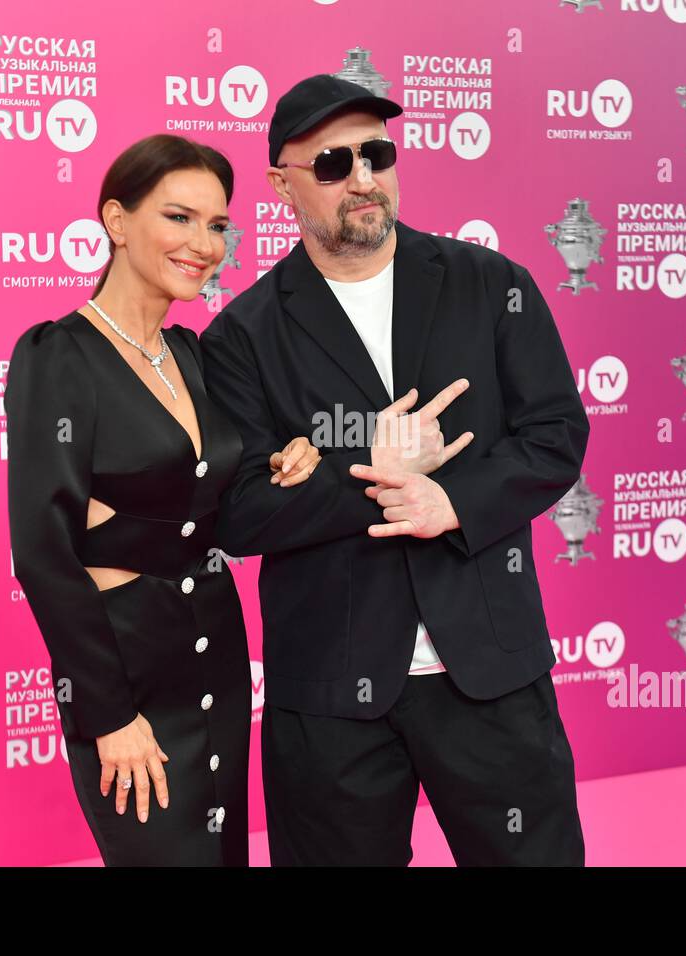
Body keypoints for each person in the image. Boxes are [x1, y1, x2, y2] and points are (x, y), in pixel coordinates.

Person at [200, 75, 591, 866]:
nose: (364, 178)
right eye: (334, 164)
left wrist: (448, 500)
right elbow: (237, 513)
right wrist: (368, 472)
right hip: (331, 693)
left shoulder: (491, 285)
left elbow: (554, 434)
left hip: (488, 671)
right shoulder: (243, 335)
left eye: (376, 153)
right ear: (282, 183)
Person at [5, 134, 321, 867]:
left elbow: (206, 490)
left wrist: (283, 459)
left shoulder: (190, 353)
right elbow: (45, 551)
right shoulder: (59, 356)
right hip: (127, 668)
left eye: (217, 226)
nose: (204, 245)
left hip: (215, 647)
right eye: (179, 218)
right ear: (117, 221)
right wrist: (109, 714)